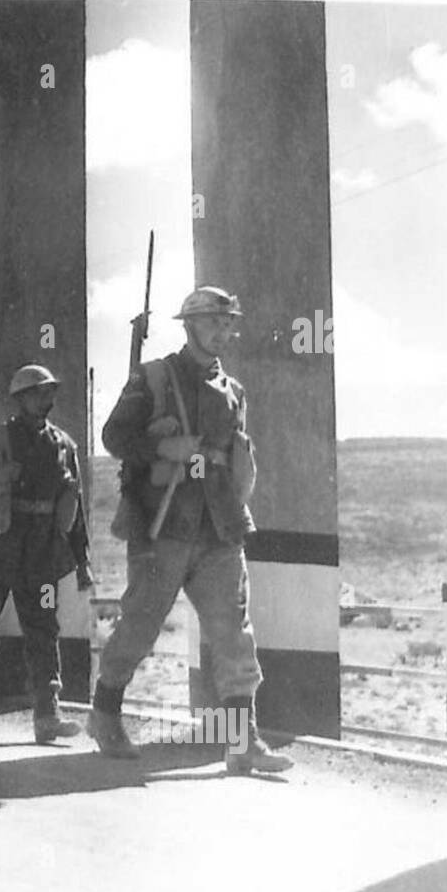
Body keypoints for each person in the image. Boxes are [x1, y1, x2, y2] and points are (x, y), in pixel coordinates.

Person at [89, 286, 292, 773]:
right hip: (164, 522)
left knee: (233, 634)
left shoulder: (234, 390)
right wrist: (165, 449)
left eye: (228, 323)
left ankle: (242, 744)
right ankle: (105, 715)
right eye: (214, 322)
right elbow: (115, 437)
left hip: (218, 524)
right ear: (189, 325)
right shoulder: (154, 377)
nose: (223, 331)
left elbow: (237, 456)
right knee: (140, 624)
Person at [0, 364, 93, 743]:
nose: (44, 399)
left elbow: (73, 507)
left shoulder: (65, 445)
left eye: (48, 392)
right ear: (20, 399)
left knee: (44, 629)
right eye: (36, 393)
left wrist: (82, 563)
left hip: (42, 554)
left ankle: (47, 717)